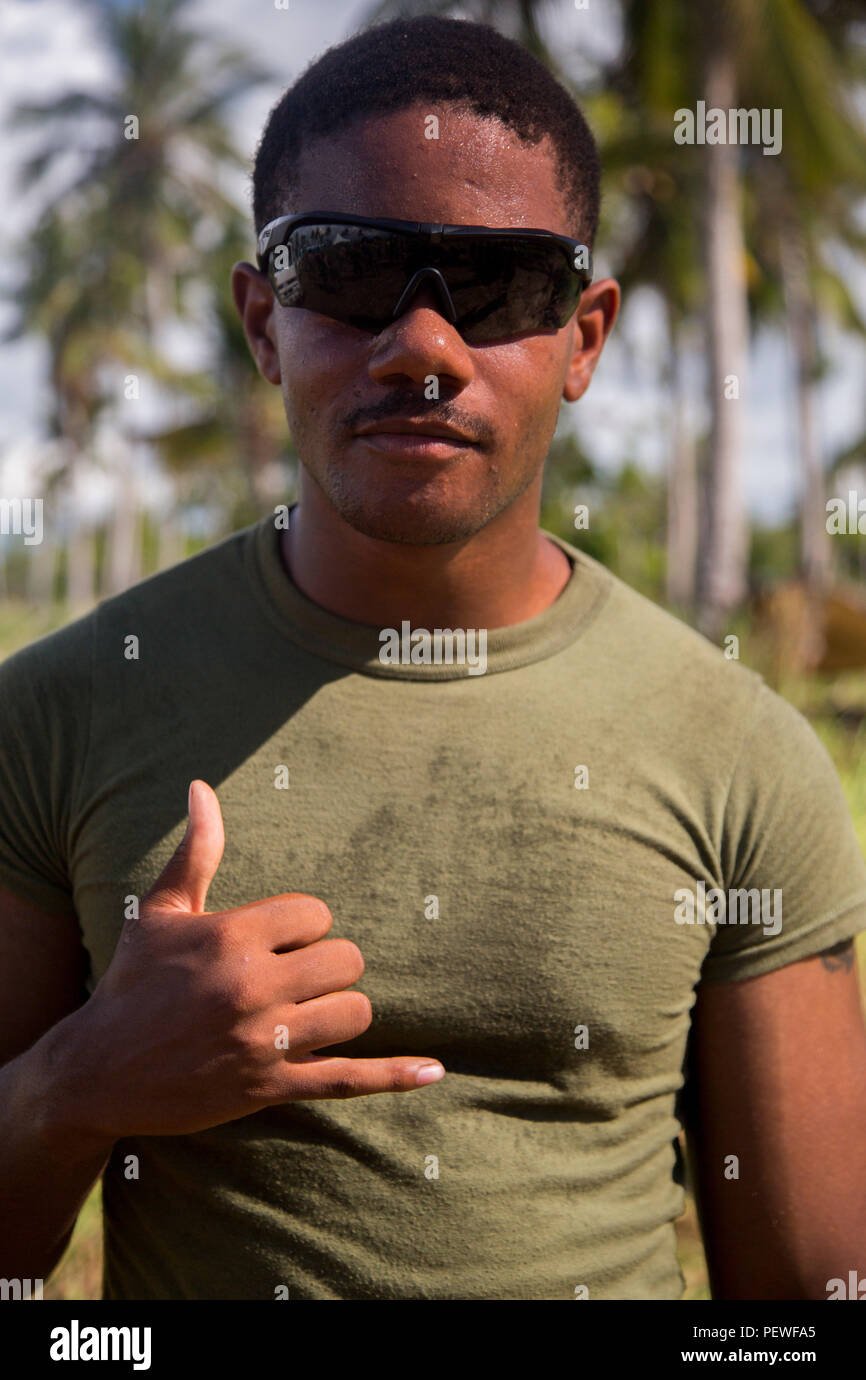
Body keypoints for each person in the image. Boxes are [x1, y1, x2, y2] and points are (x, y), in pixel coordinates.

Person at [1, 15, 865, 1302]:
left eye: (501, 284)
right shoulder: (57, 713)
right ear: (260, 319)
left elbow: (809, 1296)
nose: (420, 346)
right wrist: (74, 1087)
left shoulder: (736, 753)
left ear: (581, 337)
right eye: (350, 270)